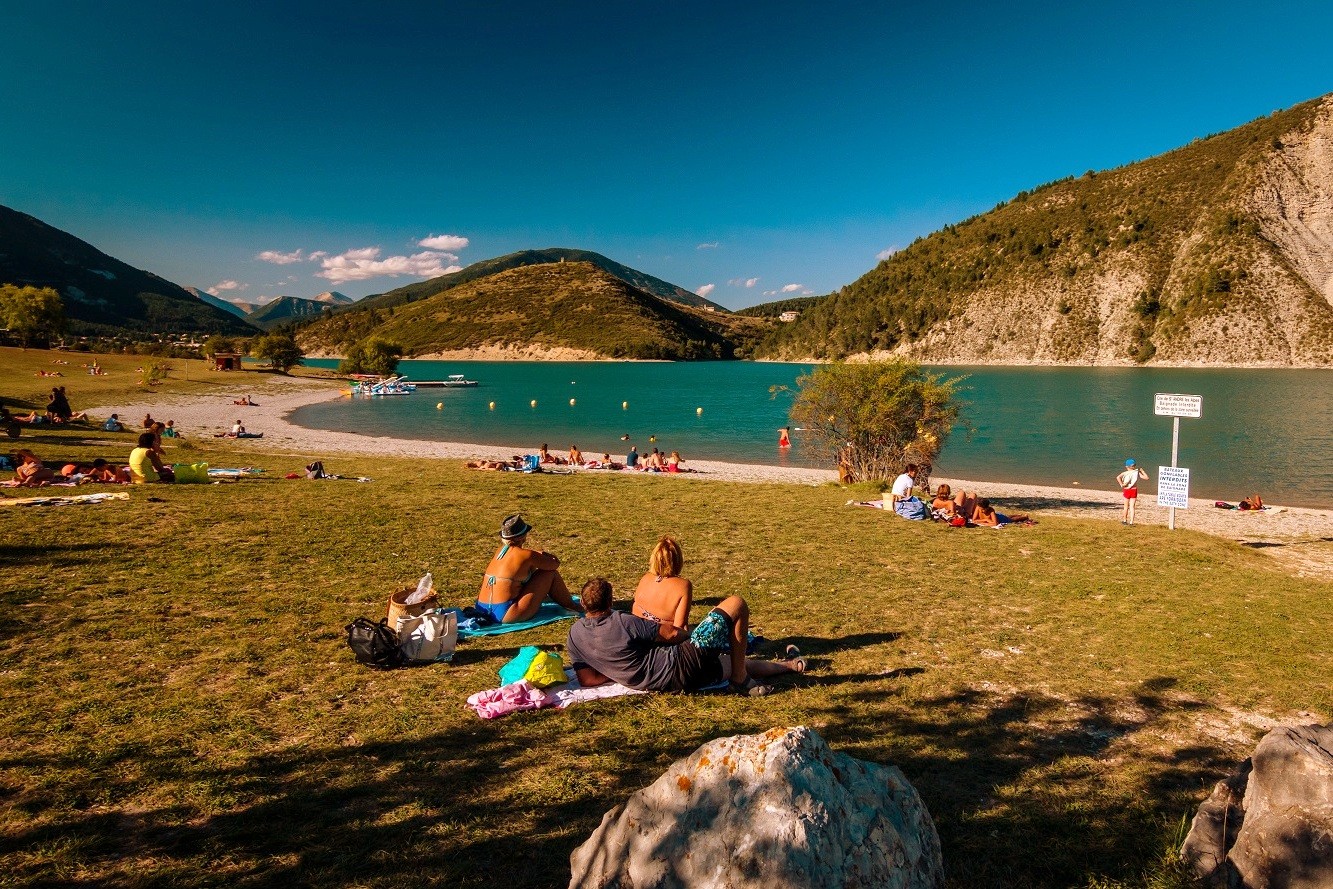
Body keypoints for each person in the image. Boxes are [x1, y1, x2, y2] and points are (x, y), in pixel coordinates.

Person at [566, 577, 805, 697]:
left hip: (671, 683)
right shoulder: (622, 621)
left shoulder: (574, 635)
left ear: (583, 604)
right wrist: (695, 634)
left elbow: (587, 679)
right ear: (610, 601)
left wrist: (618, 668)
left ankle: (790, 666)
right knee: (736, 604)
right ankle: (740, 681)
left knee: (735, 663)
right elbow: (671, 634)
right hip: (680, 662)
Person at [476, 514, 583, 623]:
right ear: (523, 536)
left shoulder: (500, 552)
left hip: (483, 609)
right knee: (550, 574)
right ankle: (572, 606)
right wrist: (543, 554)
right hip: (506, 613)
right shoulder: (527, 555)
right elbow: (554, 564)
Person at [632, 536, 693, 632]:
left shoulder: (645, 578)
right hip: (659, 637)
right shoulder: (683, 586)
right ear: (677, 560)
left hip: (635, 631)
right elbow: (679, 626)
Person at [1117, 459, 1149, 525]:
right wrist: (1142, 471)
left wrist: (1121, 484)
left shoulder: (1125, 473)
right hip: (1134, 490)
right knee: (1132, 507)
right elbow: (1146, 478)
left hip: (1127, 490)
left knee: (1126, 506)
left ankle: (1125, 520)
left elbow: (1118, 477)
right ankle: (1131, 522)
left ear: (1126, 466)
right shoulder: (1136, 472)